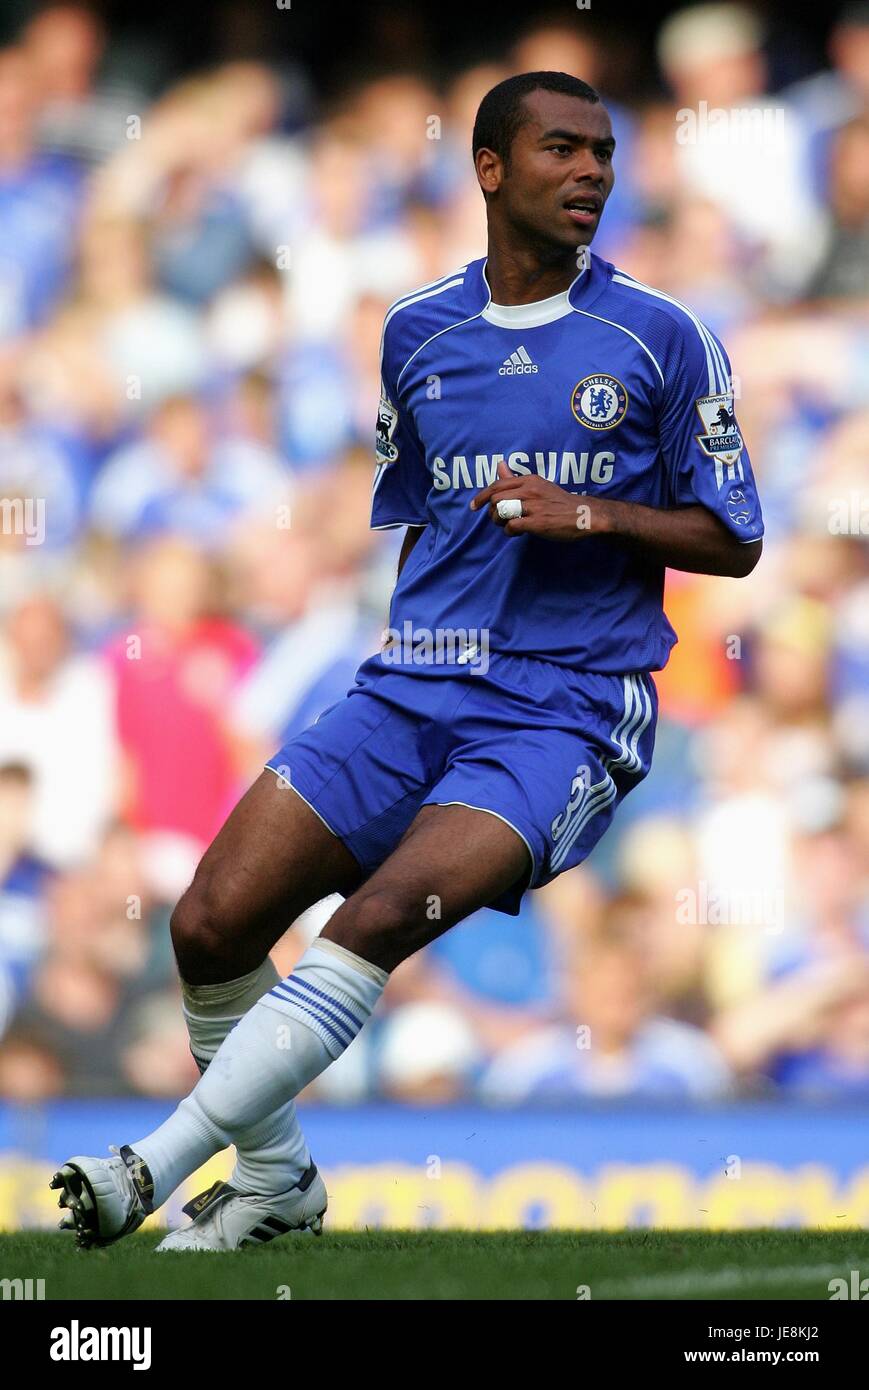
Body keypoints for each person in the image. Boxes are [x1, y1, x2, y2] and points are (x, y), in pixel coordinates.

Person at [53, 70, 763, 1251]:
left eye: (602, 152)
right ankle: (278, 1183)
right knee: (207, 924)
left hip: (565, 709)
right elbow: (420, 518)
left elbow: (735, 535)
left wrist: (589, 517)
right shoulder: (413, 332)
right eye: (559, 150)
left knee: (375, 914)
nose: (590, 170)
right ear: (488, 169)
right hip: (406, 687)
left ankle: (150, 1164)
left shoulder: (662, 337)